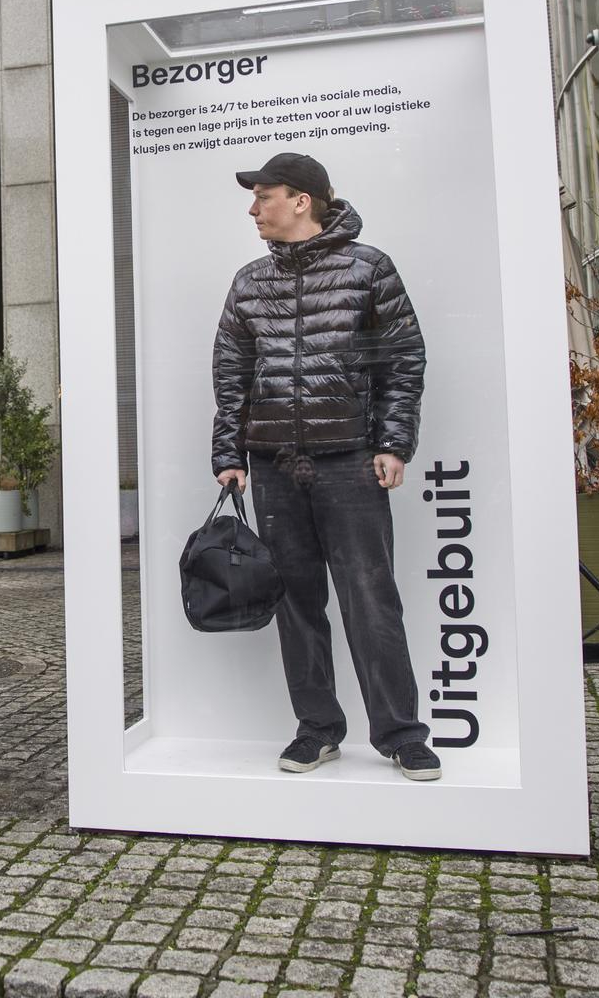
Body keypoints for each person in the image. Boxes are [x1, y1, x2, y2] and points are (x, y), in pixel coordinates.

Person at [210, 152, 440, 782]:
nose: (253, 209)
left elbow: (402, 362)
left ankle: (400, 734)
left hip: (351, 462)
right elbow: (231, 377)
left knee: (371, 599)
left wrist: (393, 444)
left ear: (302, 200)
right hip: (276, 464)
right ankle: (317, 729)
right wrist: (229, 454)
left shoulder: (370, 270)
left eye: (264, 196)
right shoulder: (249, 282)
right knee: (297, 602)